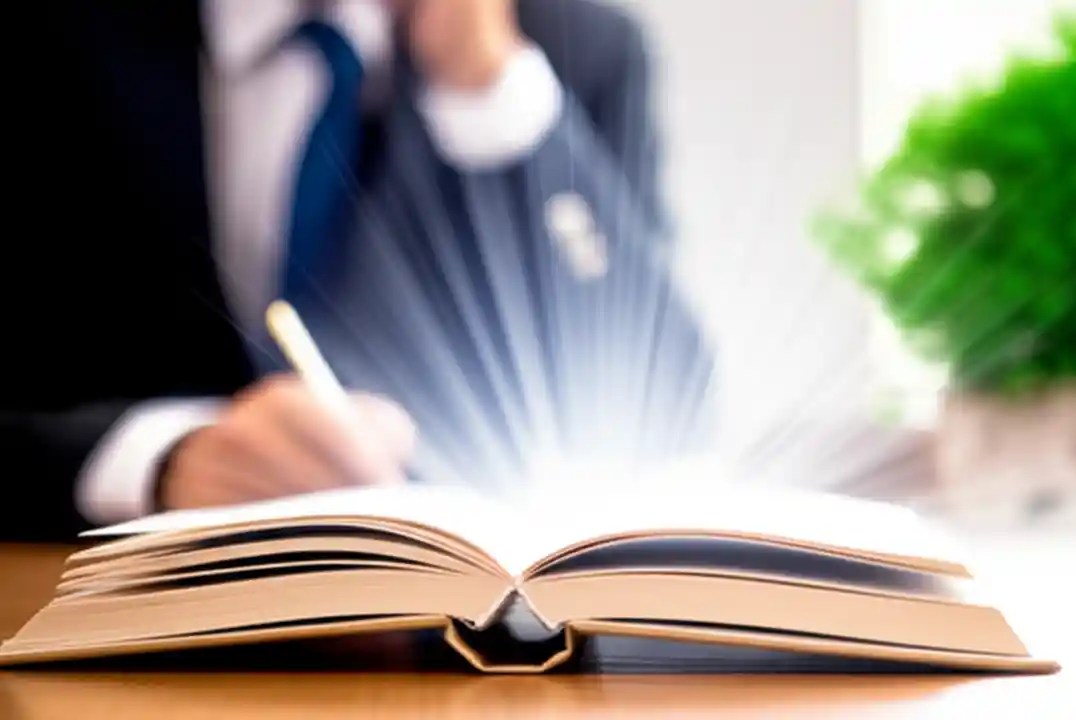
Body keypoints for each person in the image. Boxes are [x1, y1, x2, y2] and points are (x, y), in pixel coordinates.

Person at [3, 0, 708, 540]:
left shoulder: (580, 48)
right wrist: (162, 460)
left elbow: (666, 401)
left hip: (464, 648)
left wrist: (490, 92)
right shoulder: (53, 38)